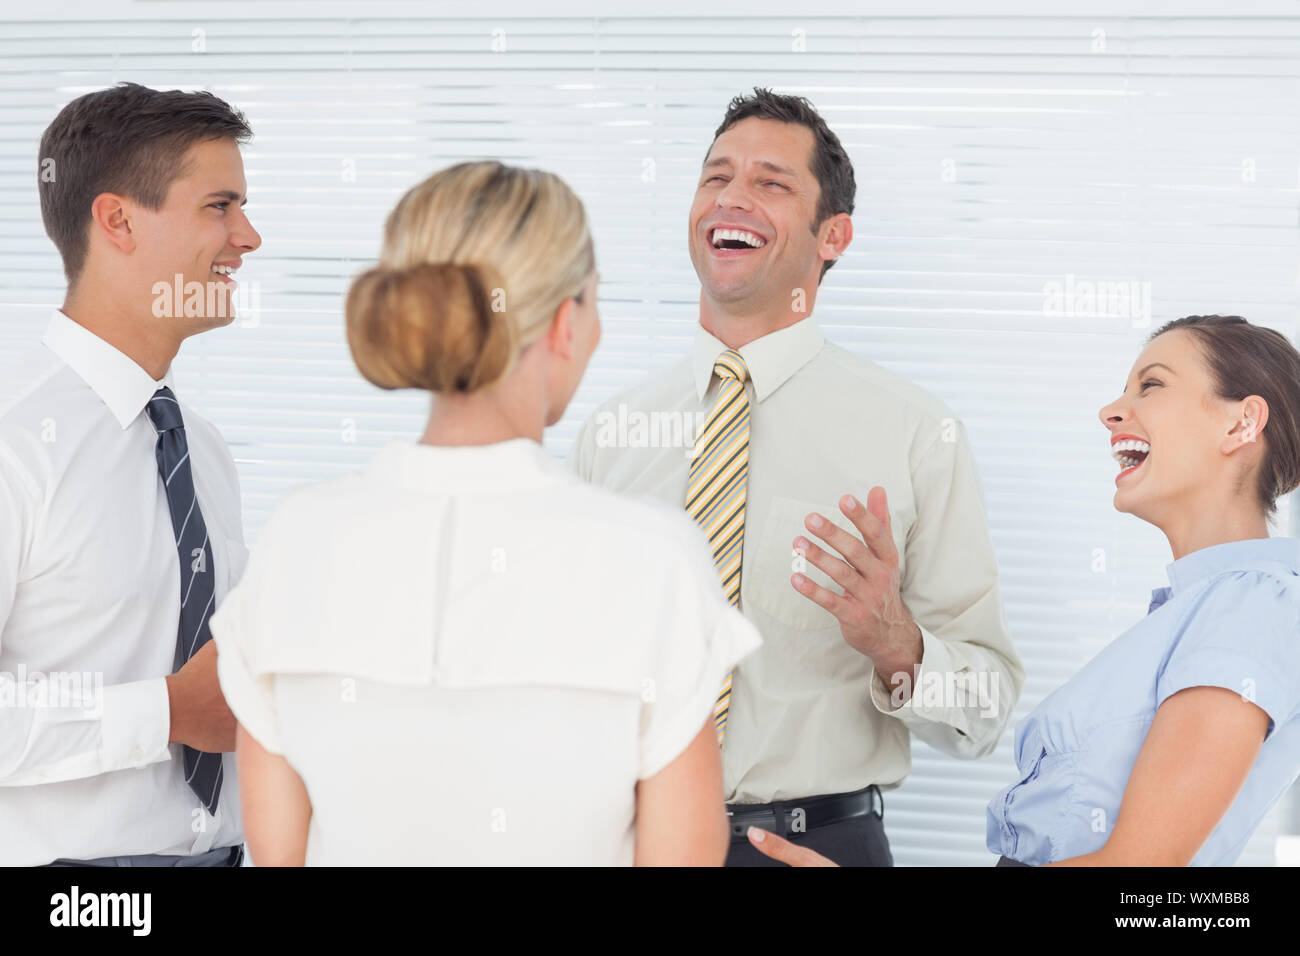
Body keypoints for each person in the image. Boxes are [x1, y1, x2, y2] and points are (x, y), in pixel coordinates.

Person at [209, 160, 762, 866]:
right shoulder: (656, 559)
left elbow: (278, 856)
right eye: (593, 303)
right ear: (566, 322)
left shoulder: (297, 539)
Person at [569, 87, 1024, 866]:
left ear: (833, 236)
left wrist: (896, 645)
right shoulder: (612, 434)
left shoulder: (915, 433)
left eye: (771, 183)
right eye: (716, 178)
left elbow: (984, 710)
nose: (731, 198)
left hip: (812, 849)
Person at [750, 315, 1300, 867]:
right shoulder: (1198, 611)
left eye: (1151, 385)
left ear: (1241, 425)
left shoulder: (1248, 606)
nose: (1109, 411)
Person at [0, 82, 261, 866]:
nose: (247, 237)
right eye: (220, 206)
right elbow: (191, 708)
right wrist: (167, 714)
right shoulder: (16, 443)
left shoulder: (200, 448)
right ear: (116, 220)